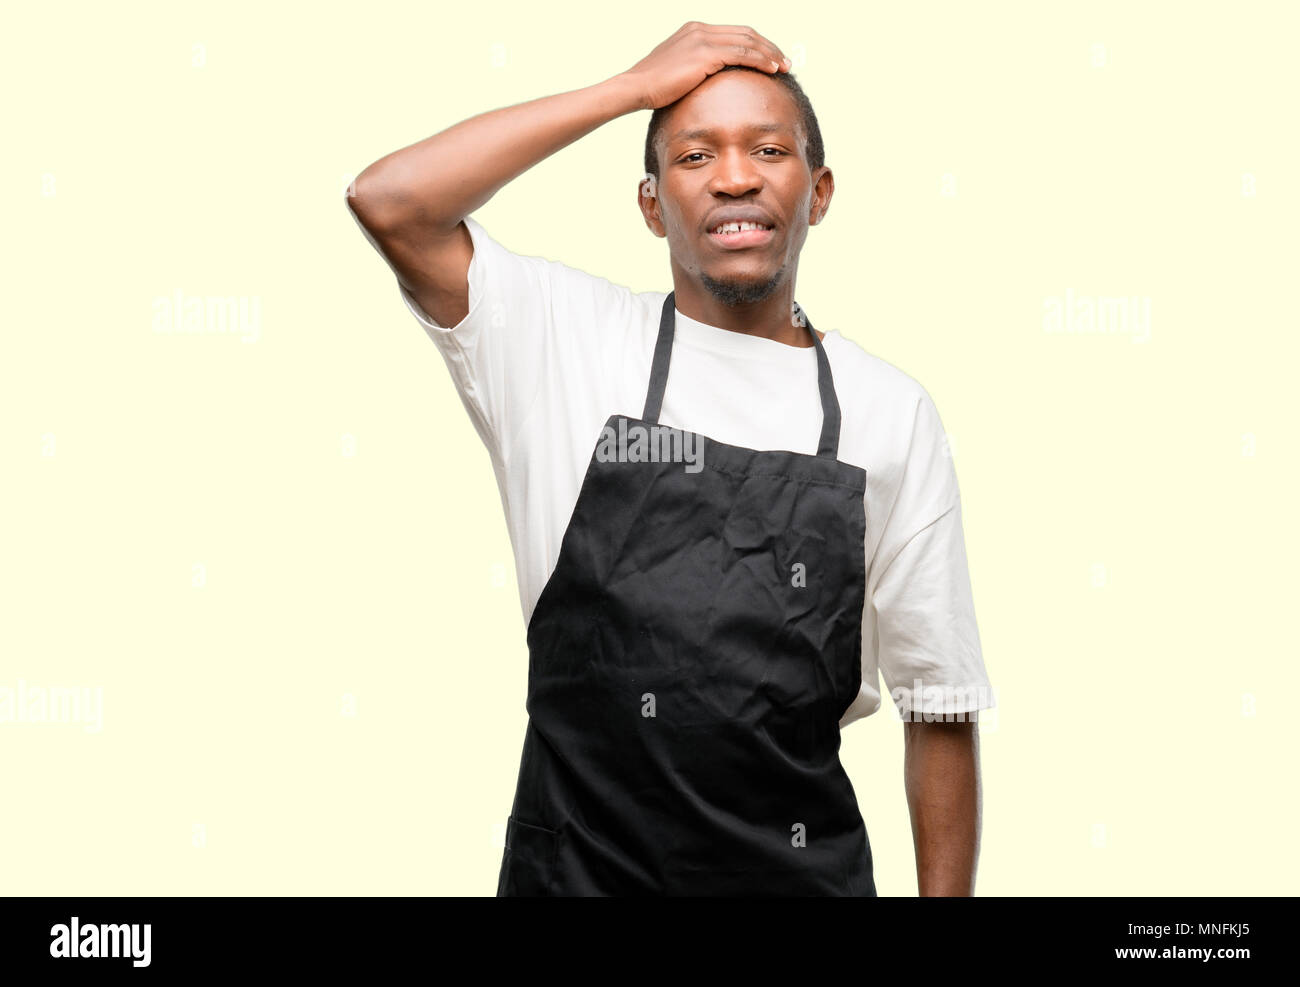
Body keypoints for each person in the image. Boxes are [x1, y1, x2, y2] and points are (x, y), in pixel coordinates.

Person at [346, 21, 995, 896]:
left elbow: (941, 704)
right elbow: (391, 200)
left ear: (819, 191)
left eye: (769, 149)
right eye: (694, 156)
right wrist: (631, 86)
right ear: (651, 205)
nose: (735, 176)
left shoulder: (891, 412)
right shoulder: (561, 341)